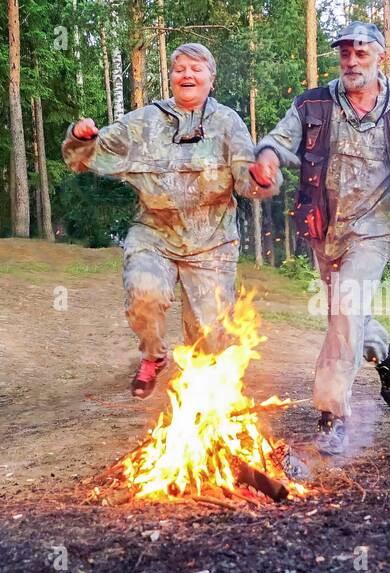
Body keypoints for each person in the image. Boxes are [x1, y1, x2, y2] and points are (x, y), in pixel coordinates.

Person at [250, 22, 390, 454]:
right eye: (345, 55)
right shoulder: (313, 103)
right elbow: (279, 142)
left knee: (347, 308)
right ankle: (388, 358)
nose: (352, 63)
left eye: (362, 54)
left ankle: (331, 416)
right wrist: (265, 158)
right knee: (347, 315)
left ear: (381, 57)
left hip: (375, 230)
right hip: (324, 228)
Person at [63, 42, 276, 397]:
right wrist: (81, 136)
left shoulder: (227, 123)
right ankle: (153, 356)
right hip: (154, 235)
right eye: (180, 69)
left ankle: (203, 407)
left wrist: (261, 176)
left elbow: (247, 176)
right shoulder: (145, 121)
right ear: (171, 77)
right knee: (144, 294)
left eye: (196, 68)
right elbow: (88, 154)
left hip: (212, 242)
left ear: (211, 78)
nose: (187, 74)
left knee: (210, 337)